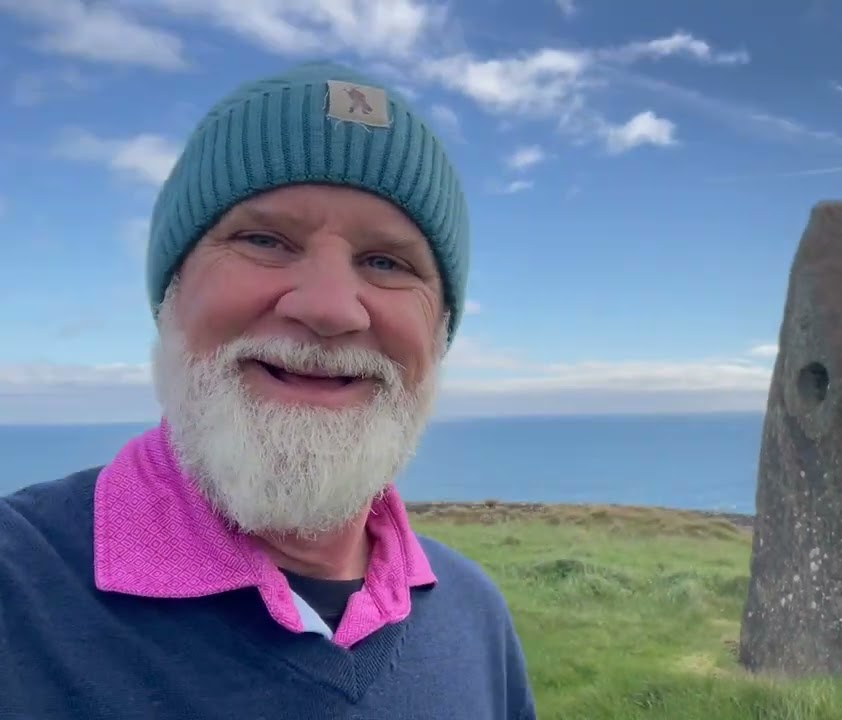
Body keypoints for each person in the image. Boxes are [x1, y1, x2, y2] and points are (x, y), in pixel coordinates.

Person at [0, 60, 537, 719]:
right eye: (264, 240)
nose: (331, 308)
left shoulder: (472, 614)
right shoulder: (18, 586)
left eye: (387, 262)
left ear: (440, 331)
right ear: (169, 297)